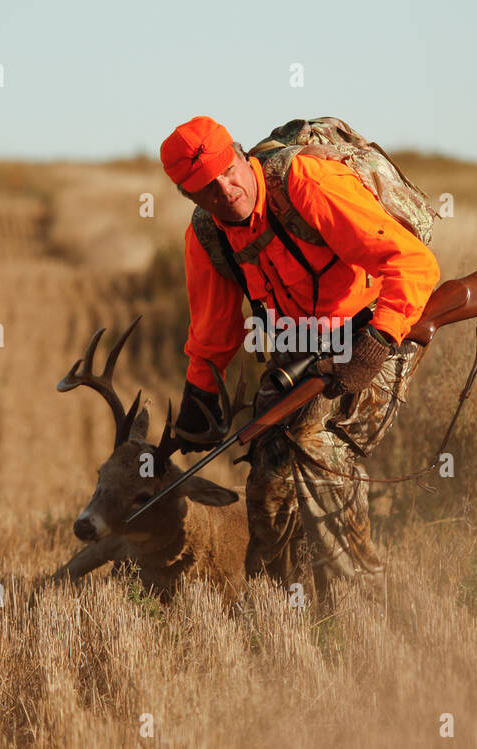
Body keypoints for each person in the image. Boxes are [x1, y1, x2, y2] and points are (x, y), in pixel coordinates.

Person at [159, 115, 439, 602]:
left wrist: (376, 344)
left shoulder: (306, 181)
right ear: (191, 197)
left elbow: (413, 263)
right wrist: (199, 396)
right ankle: (273, 608)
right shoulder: (206, 236)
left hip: (377, 331)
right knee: (268, 479)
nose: (225, 190)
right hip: (302, 355)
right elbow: (212, 331)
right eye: (206, 189)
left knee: (317, 446)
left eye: (229, 171)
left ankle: (359, 602)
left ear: (241, 156)